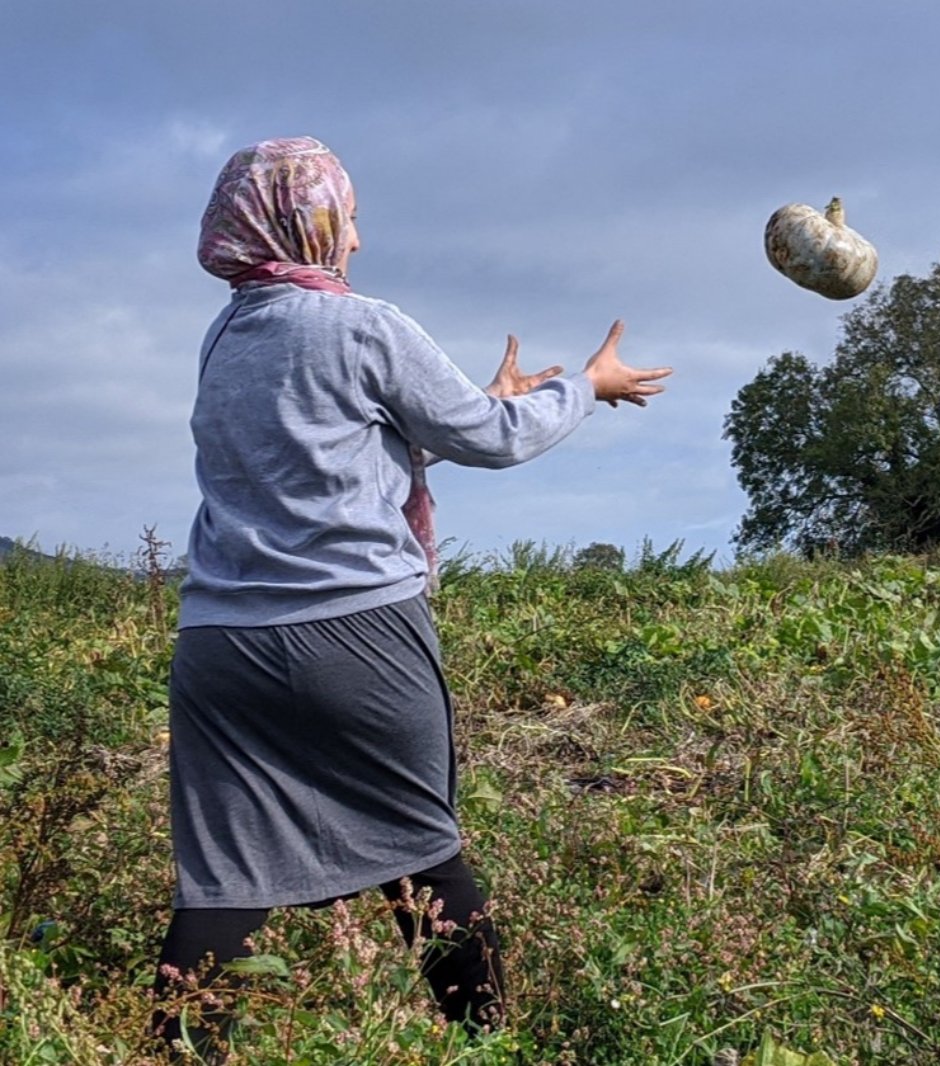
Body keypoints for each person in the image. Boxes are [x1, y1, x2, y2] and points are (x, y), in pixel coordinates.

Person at [153, 136, 670, 1056]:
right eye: (346, 219)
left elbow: (316, 452)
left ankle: (173, 1049)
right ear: (307, 225)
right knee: (419, 855)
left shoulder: (224, 336)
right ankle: (488, 1047)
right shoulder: (362, 325)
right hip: (355, 637)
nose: (356, 239)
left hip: (220, 647)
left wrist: (462, 404)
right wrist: (584, 386)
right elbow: (497, 440)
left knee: (225, 881)